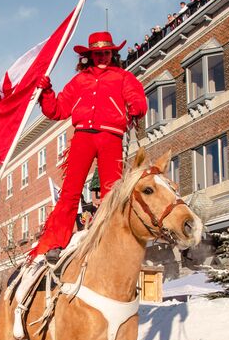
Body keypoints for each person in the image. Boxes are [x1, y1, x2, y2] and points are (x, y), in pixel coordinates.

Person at [31, 31, 147, 263]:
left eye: (106, 52)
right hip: (83, 136)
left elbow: (137, 99)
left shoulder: (123, 77)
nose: (102, 57)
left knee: (111, 193)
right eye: (97, 53)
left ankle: (109, 238)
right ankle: (55, 242)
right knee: (70, 192)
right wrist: (46, 92)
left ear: (112, 54)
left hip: (110, 137)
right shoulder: (80, 81)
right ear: (90, 56)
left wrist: (136, 106)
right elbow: (58, 110)